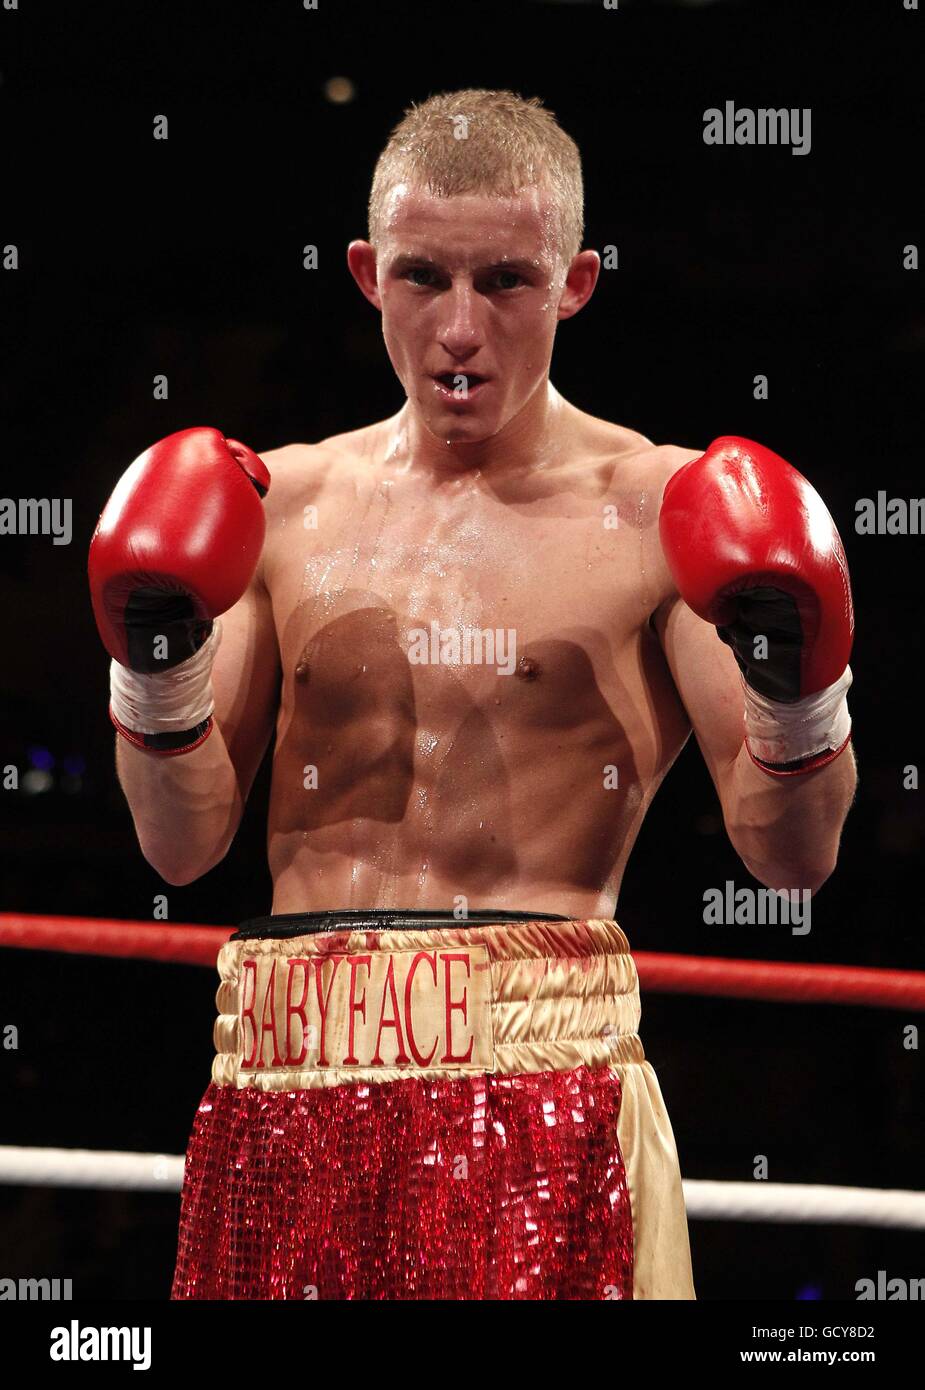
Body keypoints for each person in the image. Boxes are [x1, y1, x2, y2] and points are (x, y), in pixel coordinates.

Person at [88, 89, 856, 1300]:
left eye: (505, 279)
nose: (459, 328)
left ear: (577, 282)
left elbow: (791, 859)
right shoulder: (271, 506)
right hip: (284, 1079)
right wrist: (155, 670)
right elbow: (178, 847)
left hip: (538, 1090)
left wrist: (796, 697)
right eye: (420, 278)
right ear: (362, 273)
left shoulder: (662, 514)